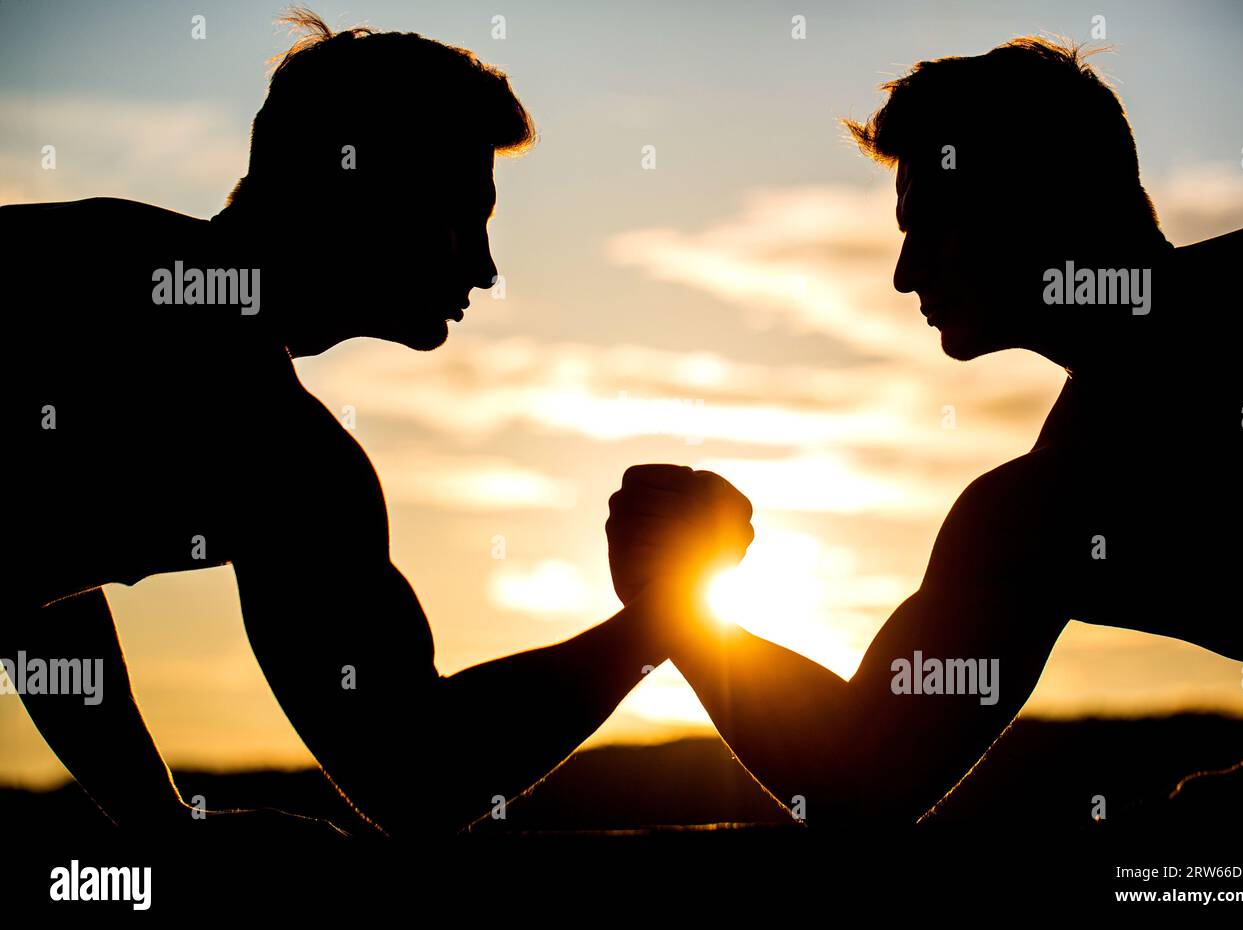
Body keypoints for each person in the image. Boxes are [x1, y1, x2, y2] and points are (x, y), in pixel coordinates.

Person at [10, 9, 751, 837]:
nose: (485, 264)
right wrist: (665, 618)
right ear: (360, 190)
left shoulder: (93, 269)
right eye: (463, 215)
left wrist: (153, 821)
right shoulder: (281, 454)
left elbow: (38, 570)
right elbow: (418, 771)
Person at [607, 37, 1243, 826]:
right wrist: (681, 613)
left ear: (1035, 204)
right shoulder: (1035, 516)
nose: (905, 273)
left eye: (930, 226)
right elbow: (858, 775)